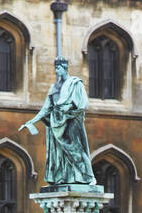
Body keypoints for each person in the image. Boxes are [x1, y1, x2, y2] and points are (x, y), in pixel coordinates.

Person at [19, 57, 96, 187]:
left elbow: (83, 104)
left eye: (58, 68)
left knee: (76, 149)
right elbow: (45, 109)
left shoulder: (75, 83)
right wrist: (30, 122)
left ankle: (89, 177)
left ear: (65, 68)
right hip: (56, 124)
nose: (56, 71)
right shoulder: (54, 88)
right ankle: (64, 177)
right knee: (59, 153)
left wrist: (69, 110)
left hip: (71, 121)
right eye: (55, 68)